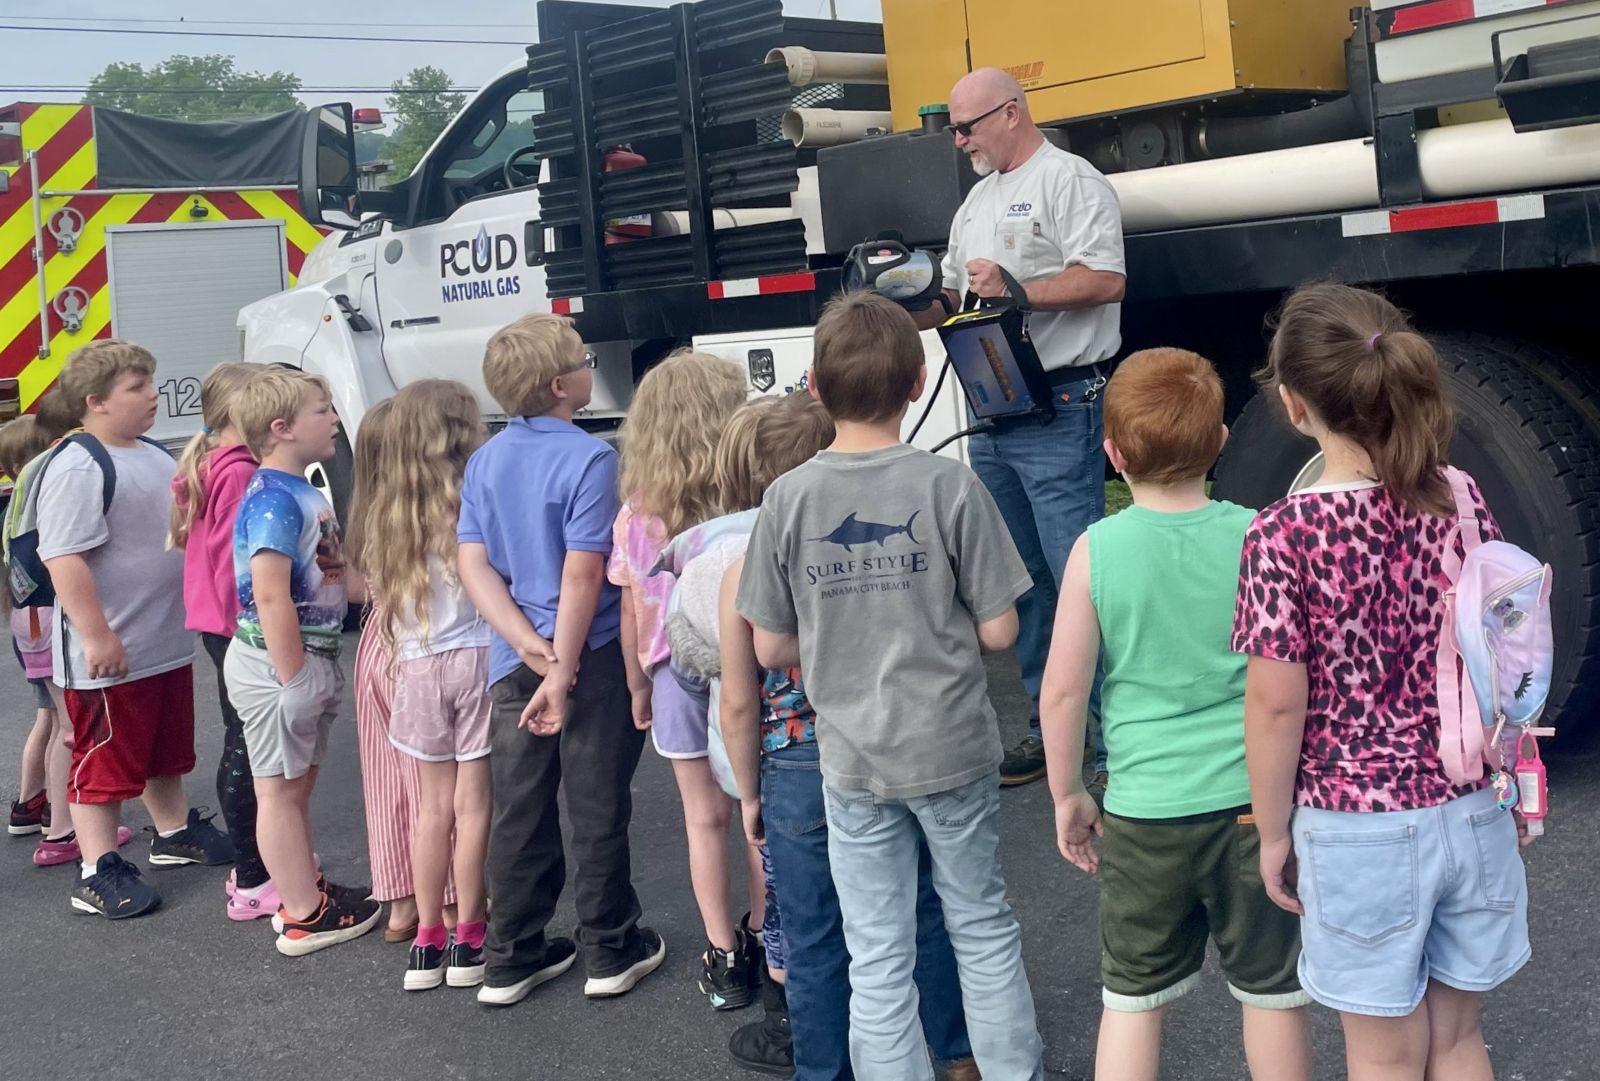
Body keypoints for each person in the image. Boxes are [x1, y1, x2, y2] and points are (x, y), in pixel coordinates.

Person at [738, 292, 1043, 1081]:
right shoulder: (951, 486)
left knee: (876, 952)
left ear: (813, 383)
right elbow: (1002, 630)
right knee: (979, 923)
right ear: (917, 384)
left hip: (853, 761)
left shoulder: (786, 498)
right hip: (952, 747)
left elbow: (770, 644)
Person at [1233, 283, 1532, 1081]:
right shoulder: (1460, 496)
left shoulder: (1283, 533)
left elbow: (1274, 701)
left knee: (1385, 1058)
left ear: (1295, 405)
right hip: (1472, 806)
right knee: (1461, 1039)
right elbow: (1501, 639)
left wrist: (1271, 832)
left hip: (1356, 826)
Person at [1039, 348, 1311, 1081]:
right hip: (1253, 809)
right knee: (1274, 992)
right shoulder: (1259, 533)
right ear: (1221, 442)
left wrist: (1068, 792)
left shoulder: (1097, 550)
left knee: (1131, 1000)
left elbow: (1064, 690)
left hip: (1143, 813)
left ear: (1112, 453)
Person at [708, 392, 981, 1081]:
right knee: (920, 901)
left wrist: (747, 793)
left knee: (813, 930)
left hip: (795, 761)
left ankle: (824, 1068)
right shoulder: (874, 553)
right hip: (884, 740)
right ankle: (954, 1051)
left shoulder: (743, 567)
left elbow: (740, 700)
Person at [913, 67, 1126, 790]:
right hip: (991, 403)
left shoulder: (1072, 180)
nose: (959, 138)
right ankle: (1050, 724)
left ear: (1013, 112)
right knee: (1022, 580)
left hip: (1060, 399)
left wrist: (1020, 288)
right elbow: (951, 293)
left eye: (967, 125)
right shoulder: (975, 200)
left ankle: (1112, 741)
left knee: (1077, 579)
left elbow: (1104, 278)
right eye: (953, 128)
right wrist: (907, 302)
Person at [457, 313, 664, 1007]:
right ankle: (610, 943)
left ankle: (510, 954)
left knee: (519, 804)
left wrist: (522, 642)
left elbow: (473, 561)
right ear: (561, 386)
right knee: (596, 799)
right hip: (591, 654)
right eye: (581, 355)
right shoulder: (590, 458)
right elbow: (583, 574)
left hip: (512, 658)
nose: (588, 359)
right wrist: (563, 666)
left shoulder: (485, 459)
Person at [37, 340, 233, 919]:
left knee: (161, 751)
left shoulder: (149, 452)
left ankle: (172, 832)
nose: (153, 395)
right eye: (137, 387)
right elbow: (65, 558)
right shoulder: (77, 464)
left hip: (161, 643)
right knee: (104, 762)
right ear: (95, 401)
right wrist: (97, 635)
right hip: (110, 649)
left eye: (151, 382)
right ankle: (97, 867)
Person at [609, 349, 761, 1010]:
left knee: (704, 819)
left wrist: (636, 685)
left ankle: (724, 952)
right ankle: (770, 931)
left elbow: (628, 607)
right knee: (759, 811)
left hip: (671, 669)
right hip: (743, 665)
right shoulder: (751, 495)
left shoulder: (636, 512)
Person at [224, 367, 381, 954]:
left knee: (294, 786)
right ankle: (301, 913)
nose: (335, 419)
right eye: (324, 410)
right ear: (282, 428)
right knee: (280, 792)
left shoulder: (301, 491)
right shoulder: (273, 499)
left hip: (303, 659)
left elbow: (330, 575)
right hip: (278, 665)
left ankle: (304, 892)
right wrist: (293, 677)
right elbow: (270, 592)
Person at [349, 380, 493, 991]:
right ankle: (471, 936)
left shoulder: (386, 517)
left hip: (412, 667)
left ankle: (427, 938)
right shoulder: (469, 505)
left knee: (429, 811)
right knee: (474, 807)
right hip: (475, 659)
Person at [3, 394, 135, 867]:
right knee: (68, 728)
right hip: (45, 620)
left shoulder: (20, 493)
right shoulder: (54, 482)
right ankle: (62, 832)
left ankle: (30, 806)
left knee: (49, 719)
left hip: (26, 621)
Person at [346, 397, 455, 945]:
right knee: (434, 787)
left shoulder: (368, 513)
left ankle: (399, 900)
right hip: (425, 648)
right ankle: (452, 898)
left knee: (387, 784)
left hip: (375, 645)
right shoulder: (432, 511)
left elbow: (349, 589)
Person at [168, 361, 275, 918]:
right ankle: (253, 870)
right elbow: (243, 561)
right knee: (246, 741)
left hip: (215, 622)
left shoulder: (212, 464)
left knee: (242, 735)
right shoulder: (237, 473)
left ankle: (255, 864)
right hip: (234, 624)